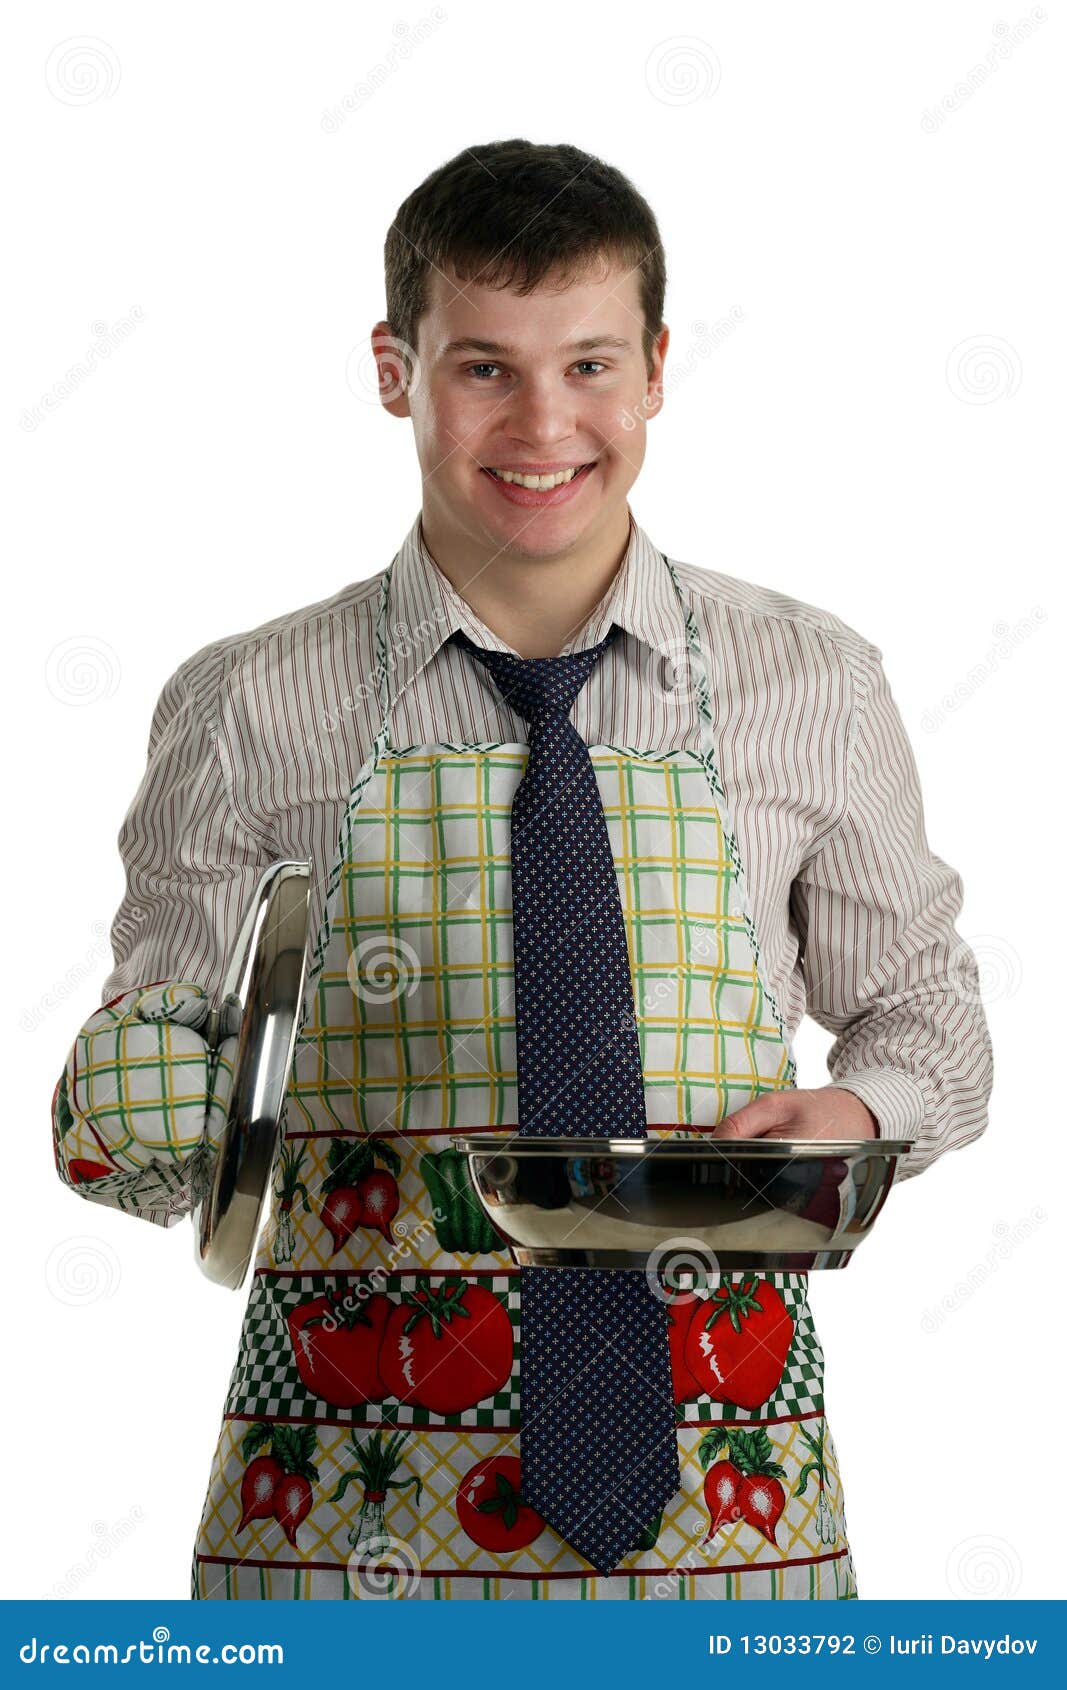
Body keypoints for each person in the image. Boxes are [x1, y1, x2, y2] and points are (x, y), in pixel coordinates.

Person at [51, 138, 993, 1601]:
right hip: (330, 1498)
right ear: (393, 369)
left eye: (591, 364)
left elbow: (933, 1016)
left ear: (660, 367)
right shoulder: (248, 701)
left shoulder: (814, 679)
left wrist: (856, 1108)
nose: (545, 421)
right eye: (483, 366)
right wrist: (137, 1111)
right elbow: (153, 1073)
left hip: (728, 1509)